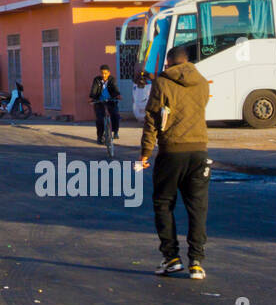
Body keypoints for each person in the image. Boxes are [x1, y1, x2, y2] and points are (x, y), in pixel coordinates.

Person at [138, 46, 211, 279]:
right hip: (199, 151)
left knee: (163, 203)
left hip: (171, 151)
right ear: (187, 62)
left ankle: (171, 258)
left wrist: (145, 153)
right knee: (197, 208)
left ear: (169, 63)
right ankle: (196, 262)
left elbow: (152, 118)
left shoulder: (162, 83)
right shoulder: (202, 82)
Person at [89, 63, 122, 144]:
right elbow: (94, 89)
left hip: (111, 100)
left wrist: (117, 95)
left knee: (115, 115)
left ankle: (115, 132)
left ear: (109, 73)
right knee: (99, 119)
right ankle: (99, 137)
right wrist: (92, 98)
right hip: (99, 101)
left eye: (105, 73)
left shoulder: (112, 80)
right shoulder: (97, 80)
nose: (104, 75)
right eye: (102, 73)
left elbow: (115, 88)